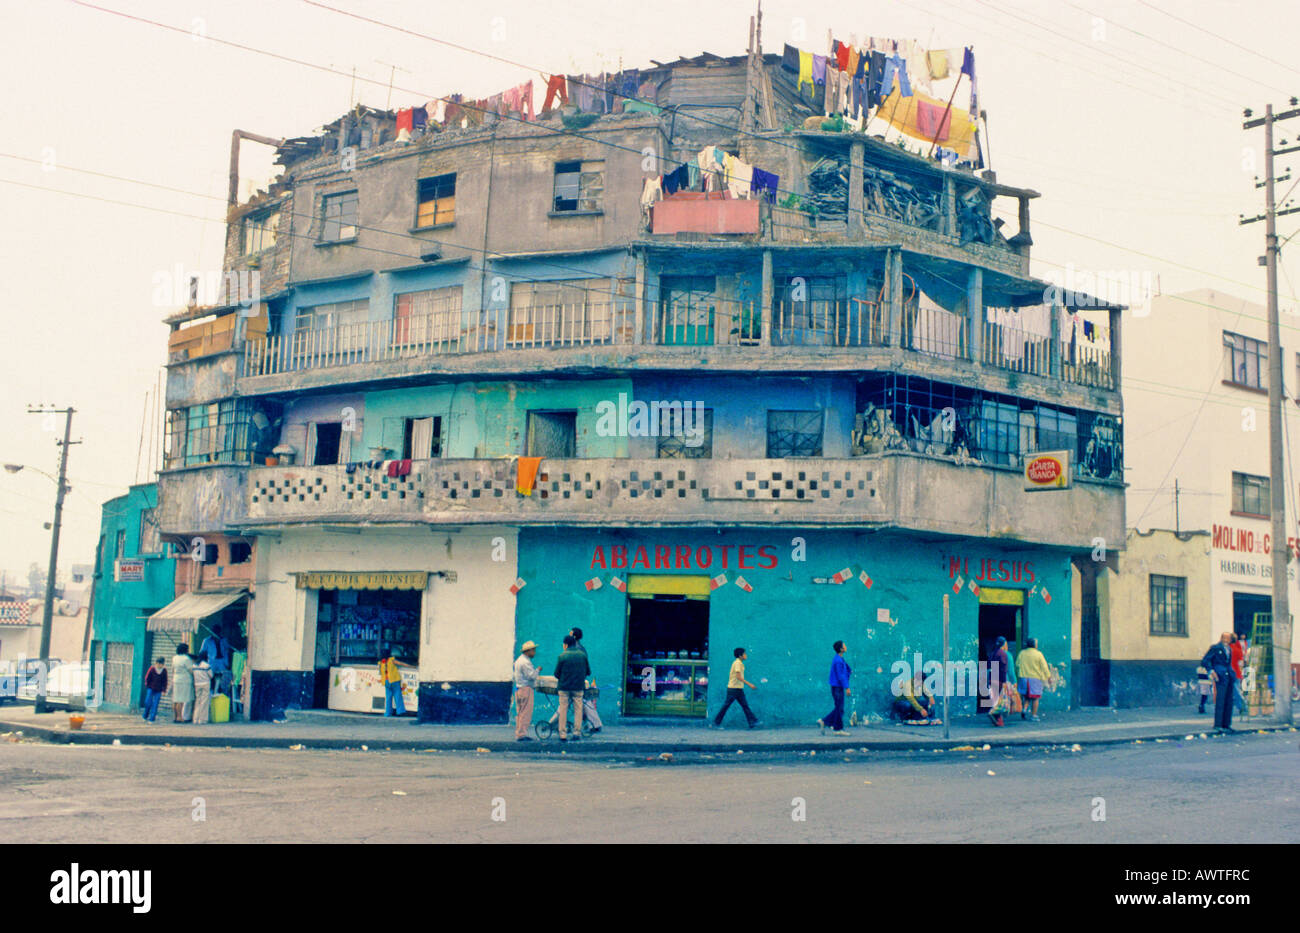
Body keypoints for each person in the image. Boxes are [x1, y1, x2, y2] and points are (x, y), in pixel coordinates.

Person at [553, 635, 590, 741]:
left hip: (564, 688)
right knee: (578, 710)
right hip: (578, 687)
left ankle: (562, 734)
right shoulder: (582, 655)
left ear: (565, 645)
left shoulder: (562, 656)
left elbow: (556, 674)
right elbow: (588, 671)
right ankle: (577, 733)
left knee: (563, 709)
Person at [712, 647, 760, 729]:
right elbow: (738, 677)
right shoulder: (738, 663)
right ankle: (715, 723)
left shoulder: (739, 663)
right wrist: (750, 684)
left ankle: (753, 722)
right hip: (733, 689)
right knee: (726, 706)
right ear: (740, 655)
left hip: (738, 689)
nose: (746, 655)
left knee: (745, 705)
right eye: (744, 654)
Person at [568, 627, 602, 733]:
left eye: (570, 633)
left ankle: (595, 724)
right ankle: (594, 724)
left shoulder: (576, 649)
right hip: (579, 679)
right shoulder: (581, 648)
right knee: (583, 702)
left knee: (583, 701)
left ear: (574, 636)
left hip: (576, 680)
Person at [1202, 632, 1236, 733]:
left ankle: (1226, 724)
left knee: (1229, 700)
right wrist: (1211, 671)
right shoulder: (1215, 648)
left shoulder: (1229, 649)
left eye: (1229, 638)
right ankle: (1218, 724)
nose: (1229, 640)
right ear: (1223, 638)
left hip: (1228, 675)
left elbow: (1228, 662)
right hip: (1220, 675)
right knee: (1220, 700)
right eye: (1227, 638)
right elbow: (1205, 661)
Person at [1015, 638, 1054, 721]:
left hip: (1023, 678)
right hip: (1035, 679)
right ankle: (1034, 715)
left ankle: (1024, 709)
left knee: (1026, 697)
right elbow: (1044, 667)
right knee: (1035, 698)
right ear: (1034, 645)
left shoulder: (1022, 653)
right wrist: (1049, 677)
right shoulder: (1038, 654)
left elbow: (1017, 664)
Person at [818, 640, 852, 734]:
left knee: (839, 708)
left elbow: (845, 669)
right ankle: (837, 729)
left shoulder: (839, 659)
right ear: (841, 649)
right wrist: (847, 688)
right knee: (839, 708)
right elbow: (841, 676)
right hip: (837, 688)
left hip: (837, 687)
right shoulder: (838, 661)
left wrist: (849, 670)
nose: (846, 646)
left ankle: (825, 722)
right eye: (844, 645)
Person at [513, 640, 540, 741]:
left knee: (520, 712)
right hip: (526, 689)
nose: (534, 652)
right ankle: (522, 734)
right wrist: (538, 670)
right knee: (526, 713)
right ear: (528, 651)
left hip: (519, 688)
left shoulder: (518, 660)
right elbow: (531, 676)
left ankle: (519, 732)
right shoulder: (526, 662)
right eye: (533, 650)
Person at [986, 636, 1011, 727]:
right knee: (1000, 701)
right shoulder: (1003, 654)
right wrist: (1004, 682)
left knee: (996, 700)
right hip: (999, 679)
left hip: (992, 678)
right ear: (1004, 644)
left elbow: (989, 666)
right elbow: (1003, 669)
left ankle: (999, 721)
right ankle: (993, 713)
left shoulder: (993, 653)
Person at [201, 623, 232, 696]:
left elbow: (227, 651)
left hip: (222, 661)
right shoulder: (207, 640)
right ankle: (211, 693)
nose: (216, 633)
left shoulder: (223, 640)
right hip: (212, 662)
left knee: (223, 679)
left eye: (217, 631)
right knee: (211, 678)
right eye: (214, 631)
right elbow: (202, 652)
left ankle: (221, 694)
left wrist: (227, 663)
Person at [378, 646, 408, 717]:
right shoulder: (392, 660)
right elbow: (401, 664)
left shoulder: (380, 663)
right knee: (397, 696)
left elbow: (380, 672)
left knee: (388, 697)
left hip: (386, 681)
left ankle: (387, 713)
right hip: (394, 680)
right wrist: (412, 666)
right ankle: (400, 712)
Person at [171, 643, 195, 723]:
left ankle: (175, 717)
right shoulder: (186, 659)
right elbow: (191, 670)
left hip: (176, 679)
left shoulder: (174, 658)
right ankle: (180, 717)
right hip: (184, 680)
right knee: (181, 700)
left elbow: (173, 669)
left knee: (176, 699)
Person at [141, 657, 167, 723]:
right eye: (158, 663)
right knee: (148, 702)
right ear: (156, 663)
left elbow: (165, 681)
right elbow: (147, 678)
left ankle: (152, 718)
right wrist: (147, 685)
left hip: (158, 690)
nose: (159, 665)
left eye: (161, 664)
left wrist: (164, 690)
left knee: (155, 704)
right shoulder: (152, 669)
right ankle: (145, 715)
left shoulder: (164, 671)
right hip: (151, 688)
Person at [1230, 633, 1249, 716]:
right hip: (1237, 672)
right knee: (1237, 690)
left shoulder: (1227, 649)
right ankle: (1242, 706)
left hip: (1228, 673)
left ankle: (1242, 706)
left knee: (1234, 691)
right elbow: (1241, 663)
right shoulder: (1238, 650)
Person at [191, 652, 212, 725]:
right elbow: (211, 675)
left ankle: (195, 719)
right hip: (206, 684)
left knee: (197, 701)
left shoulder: (193, 665)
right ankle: (202, 719)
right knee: (204, 702)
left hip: (197, 684)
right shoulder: (206, 665)